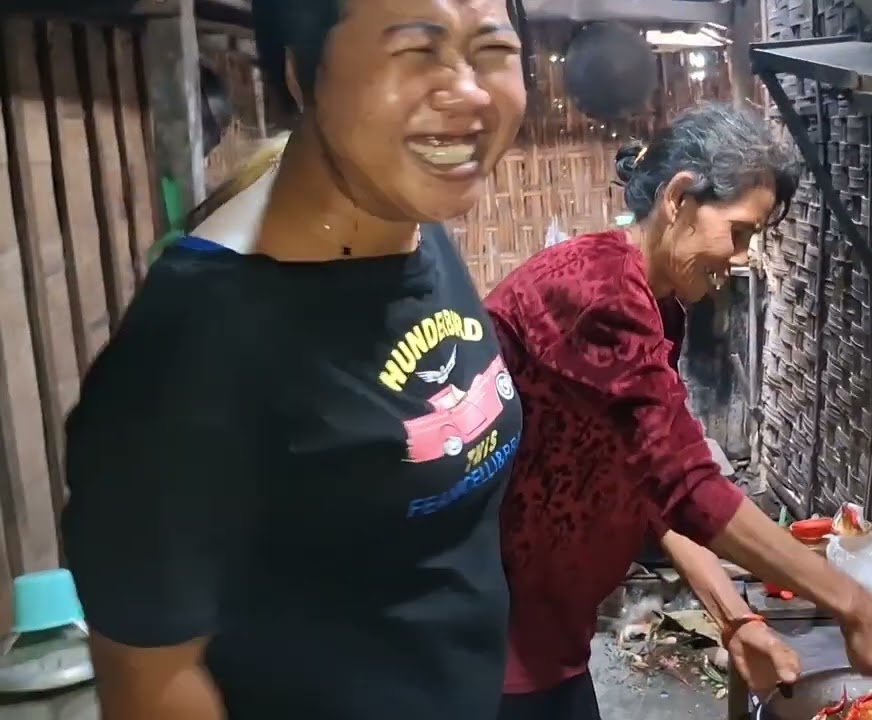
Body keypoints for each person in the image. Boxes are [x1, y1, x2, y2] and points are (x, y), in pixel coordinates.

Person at [60, 0, 527, 718]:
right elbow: (151, 684)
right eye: (415, 50)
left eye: (492, 51)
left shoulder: (410, 226)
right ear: (300, 75)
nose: (468, 92)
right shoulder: (190, 351)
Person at [487, 103, 872, 720]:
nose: (740, 255)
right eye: (738, 231)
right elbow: (686, 483)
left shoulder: (656, 304)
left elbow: (649, 484)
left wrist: (735, 619)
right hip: (494, 640)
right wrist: (856, 605)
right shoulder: (596, 293)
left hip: (548, 636)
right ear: (680, 198)